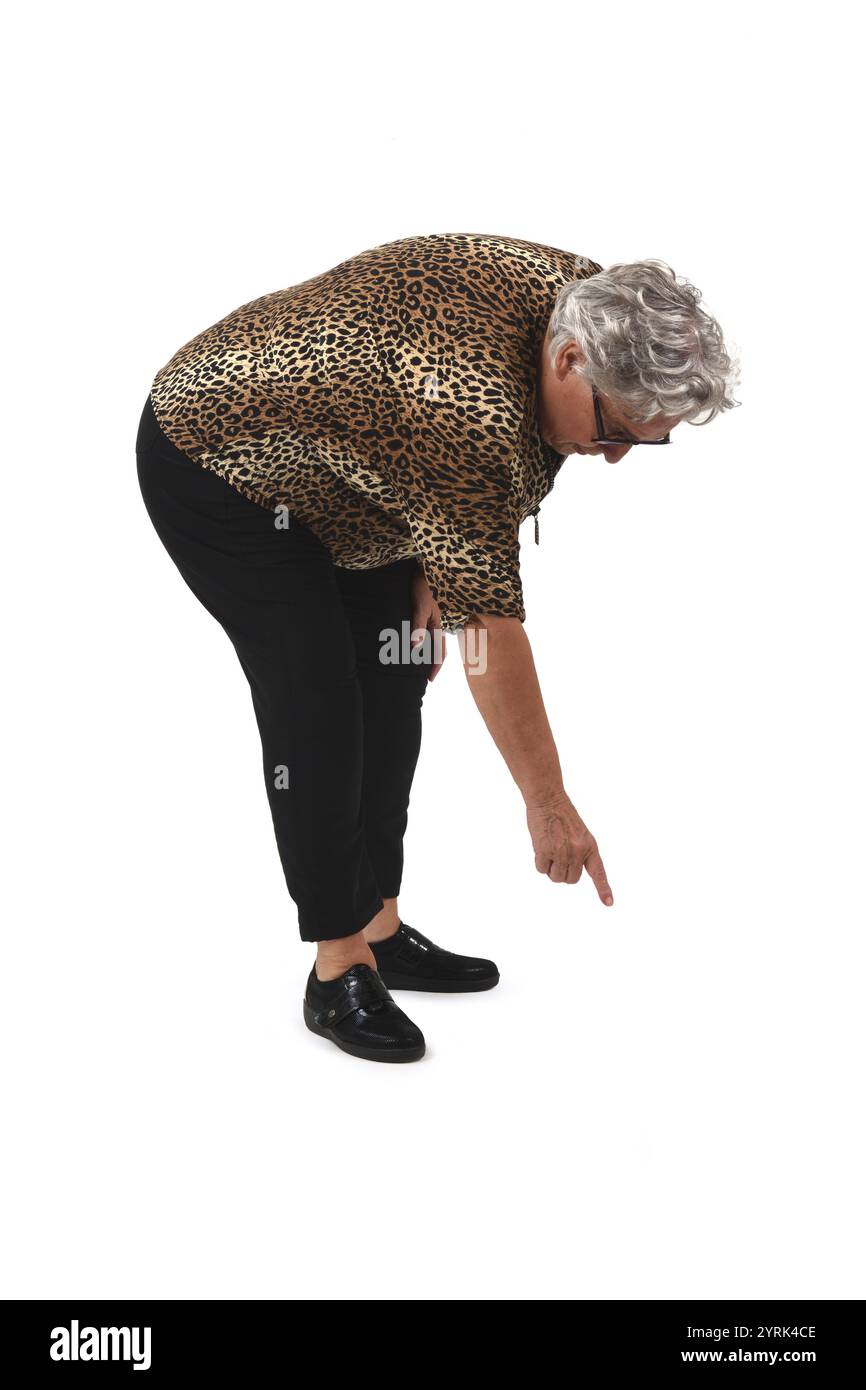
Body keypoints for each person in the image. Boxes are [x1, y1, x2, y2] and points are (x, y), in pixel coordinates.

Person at [136, 231, 739, 1063]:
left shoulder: (596, 301)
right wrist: (548, 804)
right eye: (614, 432)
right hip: (223, 464)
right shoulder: (467, 408)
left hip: (355, 465)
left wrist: (437, 554)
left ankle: (379, 926)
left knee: (396, 667)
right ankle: (335, 965)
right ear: (568, 362)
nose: (615, 459)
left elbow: (468, 523)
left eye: (645, 439)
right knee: (317, 700)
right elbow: (488, 631)